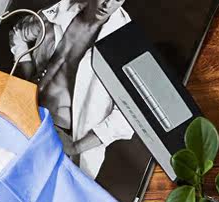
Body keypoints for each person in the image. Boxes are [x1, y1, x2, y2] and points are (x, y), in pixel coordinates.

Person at [9, 0, 133, 178]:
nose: (108, 4)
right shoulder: (64, 8)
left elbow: (130, 116)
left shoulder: (125, 41)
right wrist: (28, 74)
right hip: (24, 114)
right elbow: (19, 33)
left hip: (60, 135)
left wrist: (76, 147)